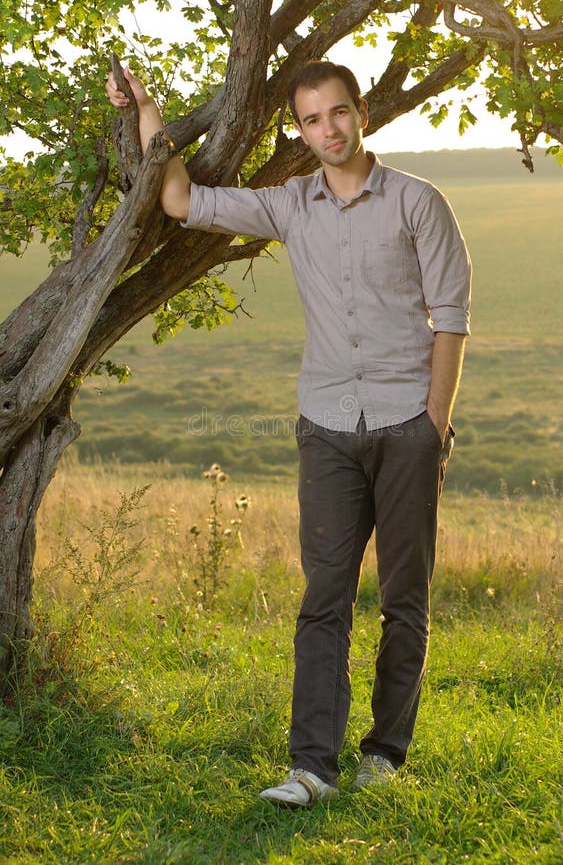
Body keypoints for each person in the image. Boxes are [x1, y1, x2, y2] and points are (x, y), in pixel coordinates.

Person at [107, 60, 471, 807]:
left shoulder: (417, 202)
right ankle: (313, 768)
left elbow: (453, 319)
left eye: (337, 113)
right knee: (324, 596)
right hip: (329, 425)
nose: (327, 130)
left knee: (404, 597)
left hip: (407, 423)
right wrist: (146, 108)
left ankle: (385, 753)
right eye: (311, 120)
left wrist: (433, 424)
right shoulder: (289, 205)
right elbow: (178, 197)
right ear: (299, 131)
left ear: (361, 112)